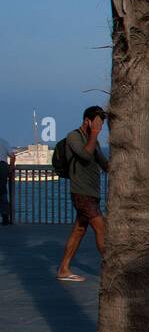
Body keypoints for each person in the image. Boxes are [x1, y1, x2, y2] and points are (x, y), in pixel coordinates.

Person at [56, 106, 110, 282]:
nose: (99, 127)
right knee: (101, 228)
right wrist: (94, 133)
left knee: (79, 230)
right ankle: (110, 271)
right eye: (96, 123)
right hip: (81, 192)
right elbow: (85, 155)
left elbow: (103, 163)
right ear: (87, 120)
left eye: (101, 124)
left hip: (92, 192)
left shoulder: (93, 141)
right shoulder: (73, 137)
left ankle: (63, 268)